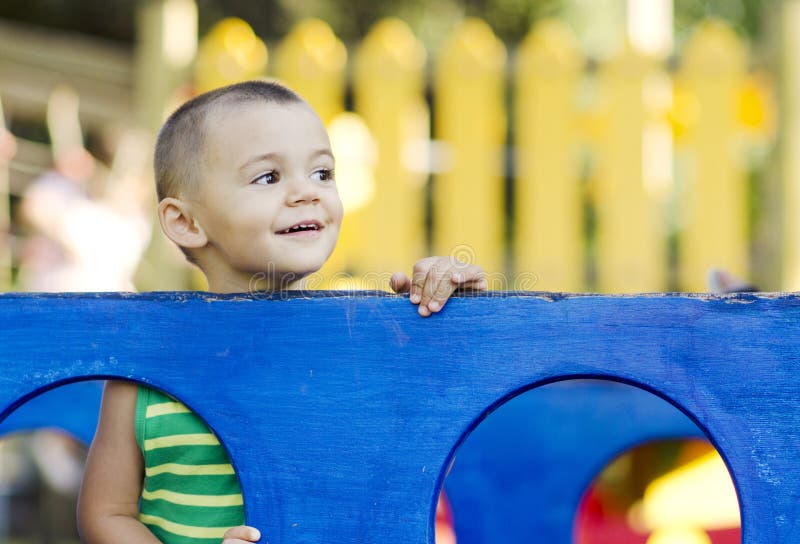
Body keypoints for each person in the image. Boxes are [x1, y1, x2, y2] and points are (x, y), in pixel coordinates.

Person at [77, 80, 486, 544]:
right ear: (187, 222)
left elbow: (429, 457)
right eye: (268, 178)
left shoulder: (362, 347)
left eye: (323, 174)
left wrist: (448, 326)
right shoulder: (144, 370)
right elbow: (105, 513)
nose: (306, 193)